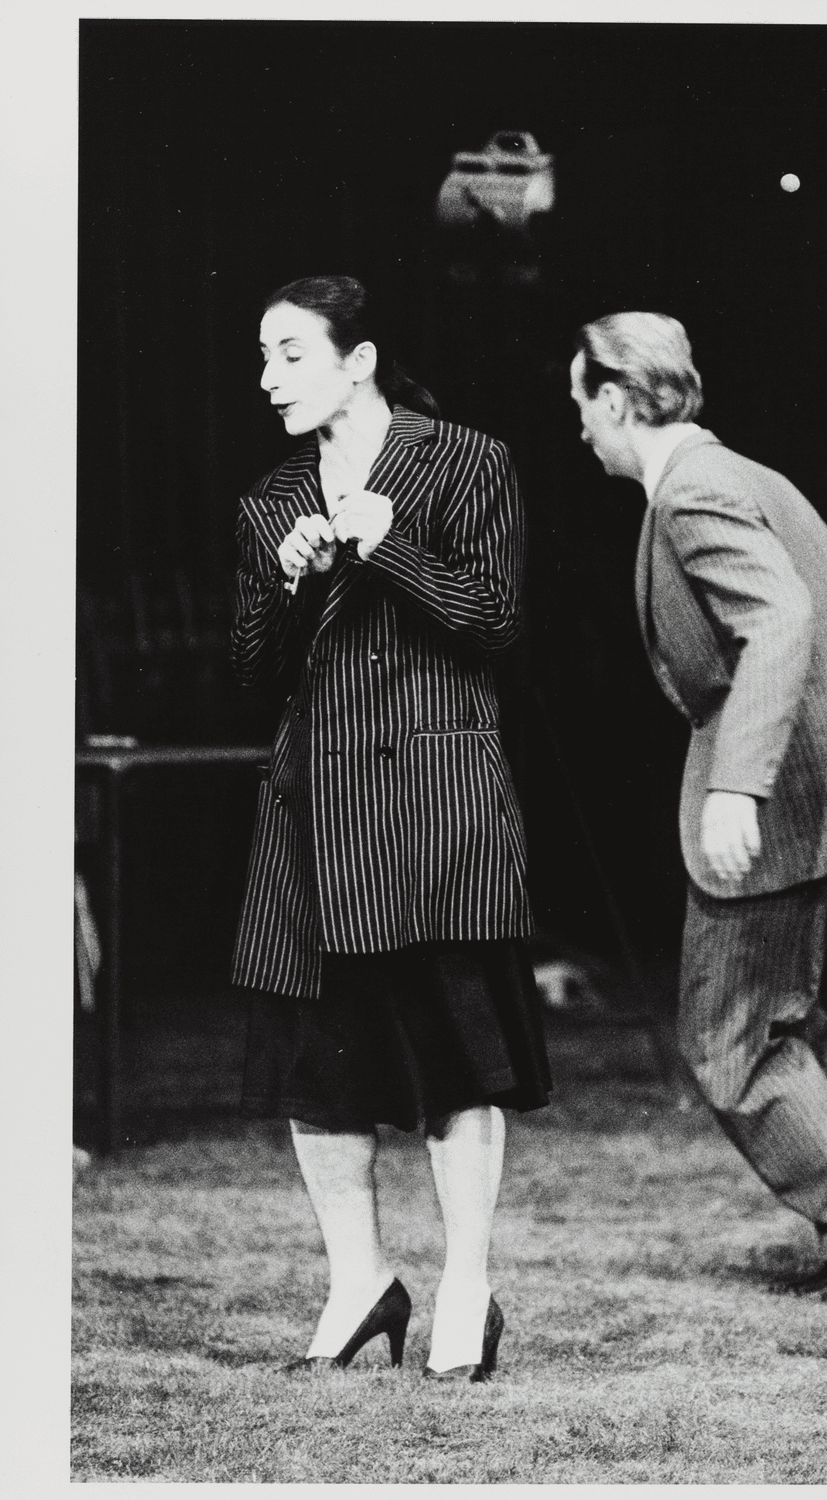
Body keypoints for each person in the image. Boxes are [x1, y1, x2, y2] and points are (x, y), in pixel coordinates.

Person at [569, 311, 827, 1298]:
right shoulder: (751, 475)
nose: (577, 427)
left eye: (579, 404)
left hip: (789, 796)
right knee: (773, 1015)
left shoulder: (693, 492)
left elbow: (779, 619)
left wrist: (734, 785)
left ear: (617, 399)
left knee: (728, 1035)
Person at [230, 274, 550, 1378]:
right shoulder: (269, 501)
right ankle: (360, 1280)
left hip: (435, 814)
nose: (267, 378)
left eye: (289, 355)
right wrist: (284, 585)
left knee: (456, 1064)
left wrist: (387, 545)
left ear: (357, 360)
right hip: (314, 821)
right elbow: (248, 675)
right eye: (264, 358)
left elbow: (499, 622)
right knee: (320, 1077)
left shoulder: (465, 460)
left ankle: (466, 1287)